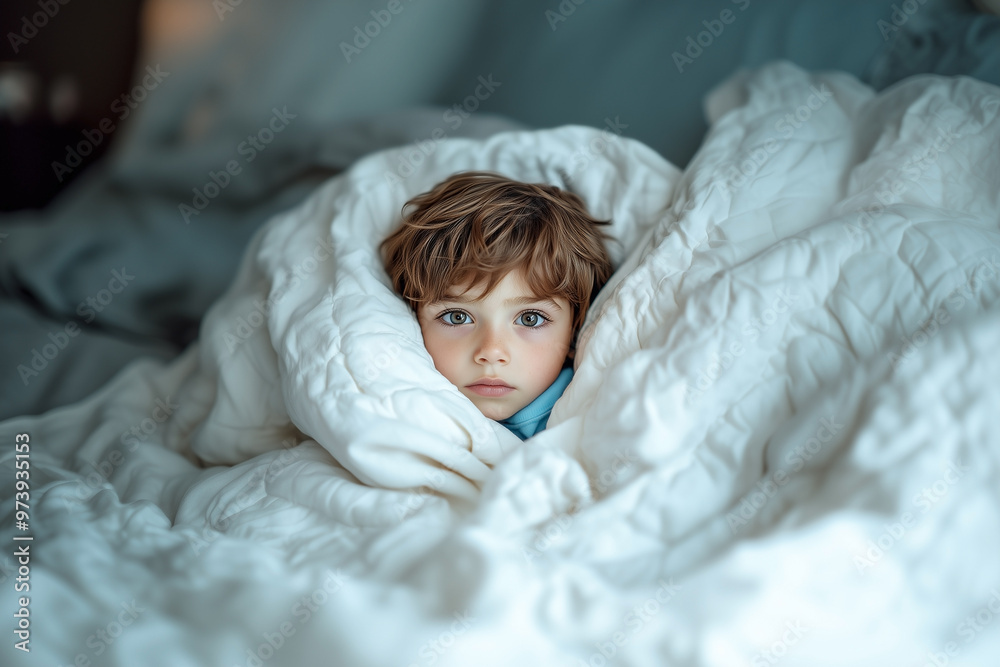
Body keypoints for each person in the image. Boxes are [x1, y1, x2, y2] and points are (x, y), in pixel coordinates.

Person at [380, 171, 615, 440]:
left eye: (530, 319)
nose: (491, 352)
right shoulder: (403, 415)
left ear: (575, 329)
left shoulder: (593, 415)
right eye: (457, 317)